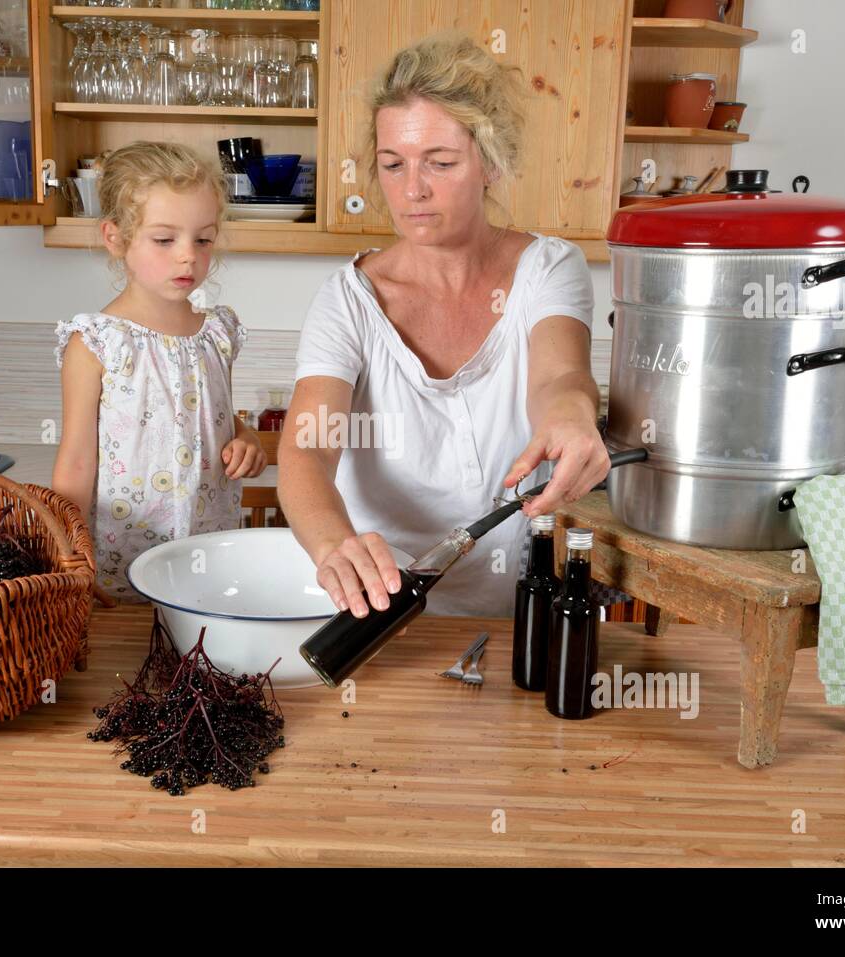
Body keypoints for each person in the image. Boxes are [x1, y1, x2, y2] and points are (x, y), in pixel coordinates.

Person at [279, 32, 608, 619]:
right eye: (393, 164)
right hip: (383, 607)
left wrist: (572, 420)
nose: (412, 190)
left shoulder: (548, 268)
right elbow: (308, 450)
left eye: (441, 162)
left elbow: (560, 377)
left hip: (527, 603)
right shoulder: (349, 299)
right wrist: (333, 545)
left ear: (491, 164)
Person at [51, 142, 268, 602]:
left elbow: (223, 421)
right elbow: (74, 464)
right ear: (116, 238)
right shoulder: (96, 343)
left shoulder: (217, 333)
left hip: (209, 561)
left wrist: (246, 440)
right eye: (165, 239)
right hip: (121, 567)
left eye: (203, 239)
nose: (188, 256)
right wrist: (69, 562)